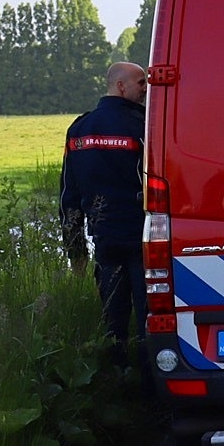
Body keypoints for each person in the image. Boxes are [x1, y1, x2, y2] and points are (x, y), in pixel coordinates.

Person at [60, 61, 150, 380]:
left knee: (113, 322)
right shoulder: (145, 128)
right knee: (147, 321)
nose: (145, 88)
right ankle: (150, 391)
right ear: (121, 86)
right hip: (143, 241)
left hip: (104, 241)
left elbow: (69, 198)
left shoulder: (79, 130)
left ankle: (116, 381)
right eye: (141, 83)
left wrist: (76, 254)